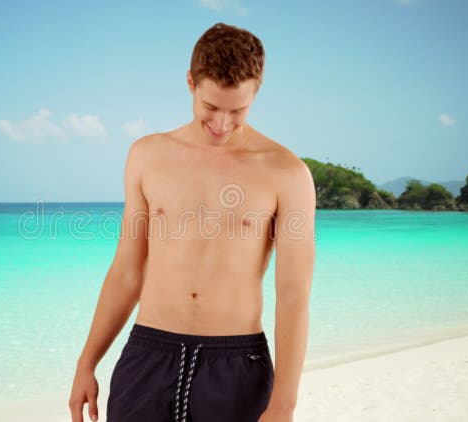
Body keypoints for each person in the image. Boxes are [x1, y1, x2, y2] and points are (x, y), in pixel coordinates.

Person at [69, 22, 316, 422]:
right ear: (190, 83)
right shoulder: (147, 156)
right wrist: (87, 362)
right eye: (210, 107)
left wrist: (283, 404)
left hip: (237, 367)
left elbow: (293, 294)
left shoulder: (286, 173)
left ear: (256, 91)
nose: (222, 123)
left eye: (237, 110)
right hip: (147, 356)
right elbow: (127, 271)